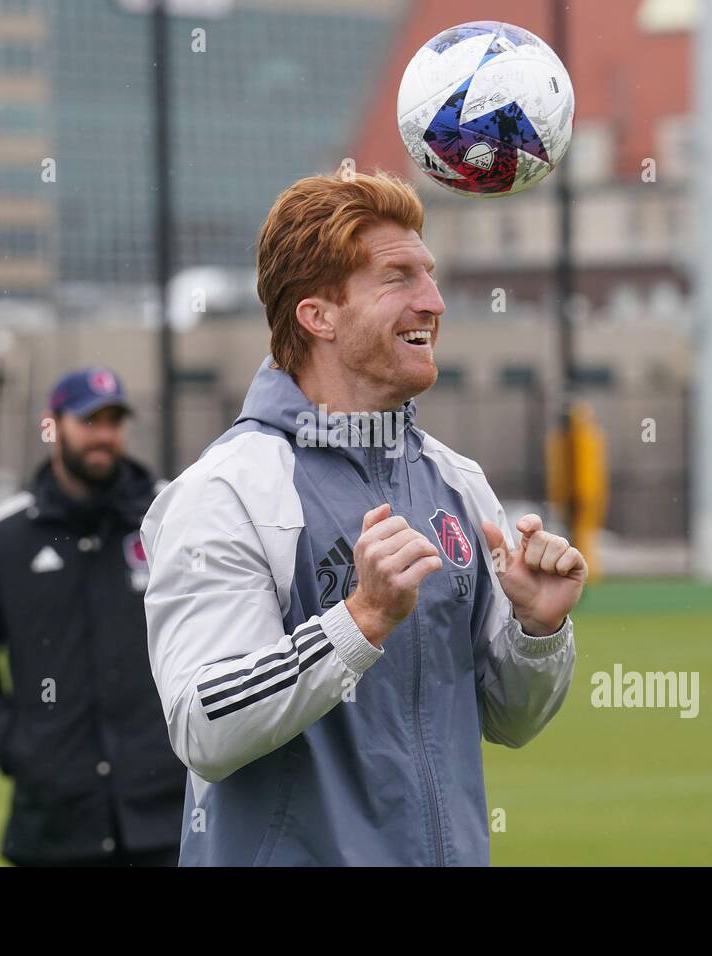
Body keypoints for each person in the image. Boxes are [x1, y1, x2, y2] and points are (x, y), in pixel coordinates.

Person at [141, 171, 588, 866]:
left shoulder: (457, 482)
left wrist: (538, 629)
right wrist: (360, 622)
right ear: (318, 315)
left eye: (430, 276)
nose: (433, 302)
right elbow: (204, 724)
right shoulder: (227, 491)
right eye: (398, 278)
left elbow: (511, 720)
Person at [0, 367, 184, 866]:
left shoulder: (176, 514)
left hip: (172, 818)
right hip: (56, 828)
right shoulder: (0, 539)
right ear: (52, 427)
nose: (103, 435)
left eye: (114, 420)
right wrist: (21, 751)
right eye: (89, 420)